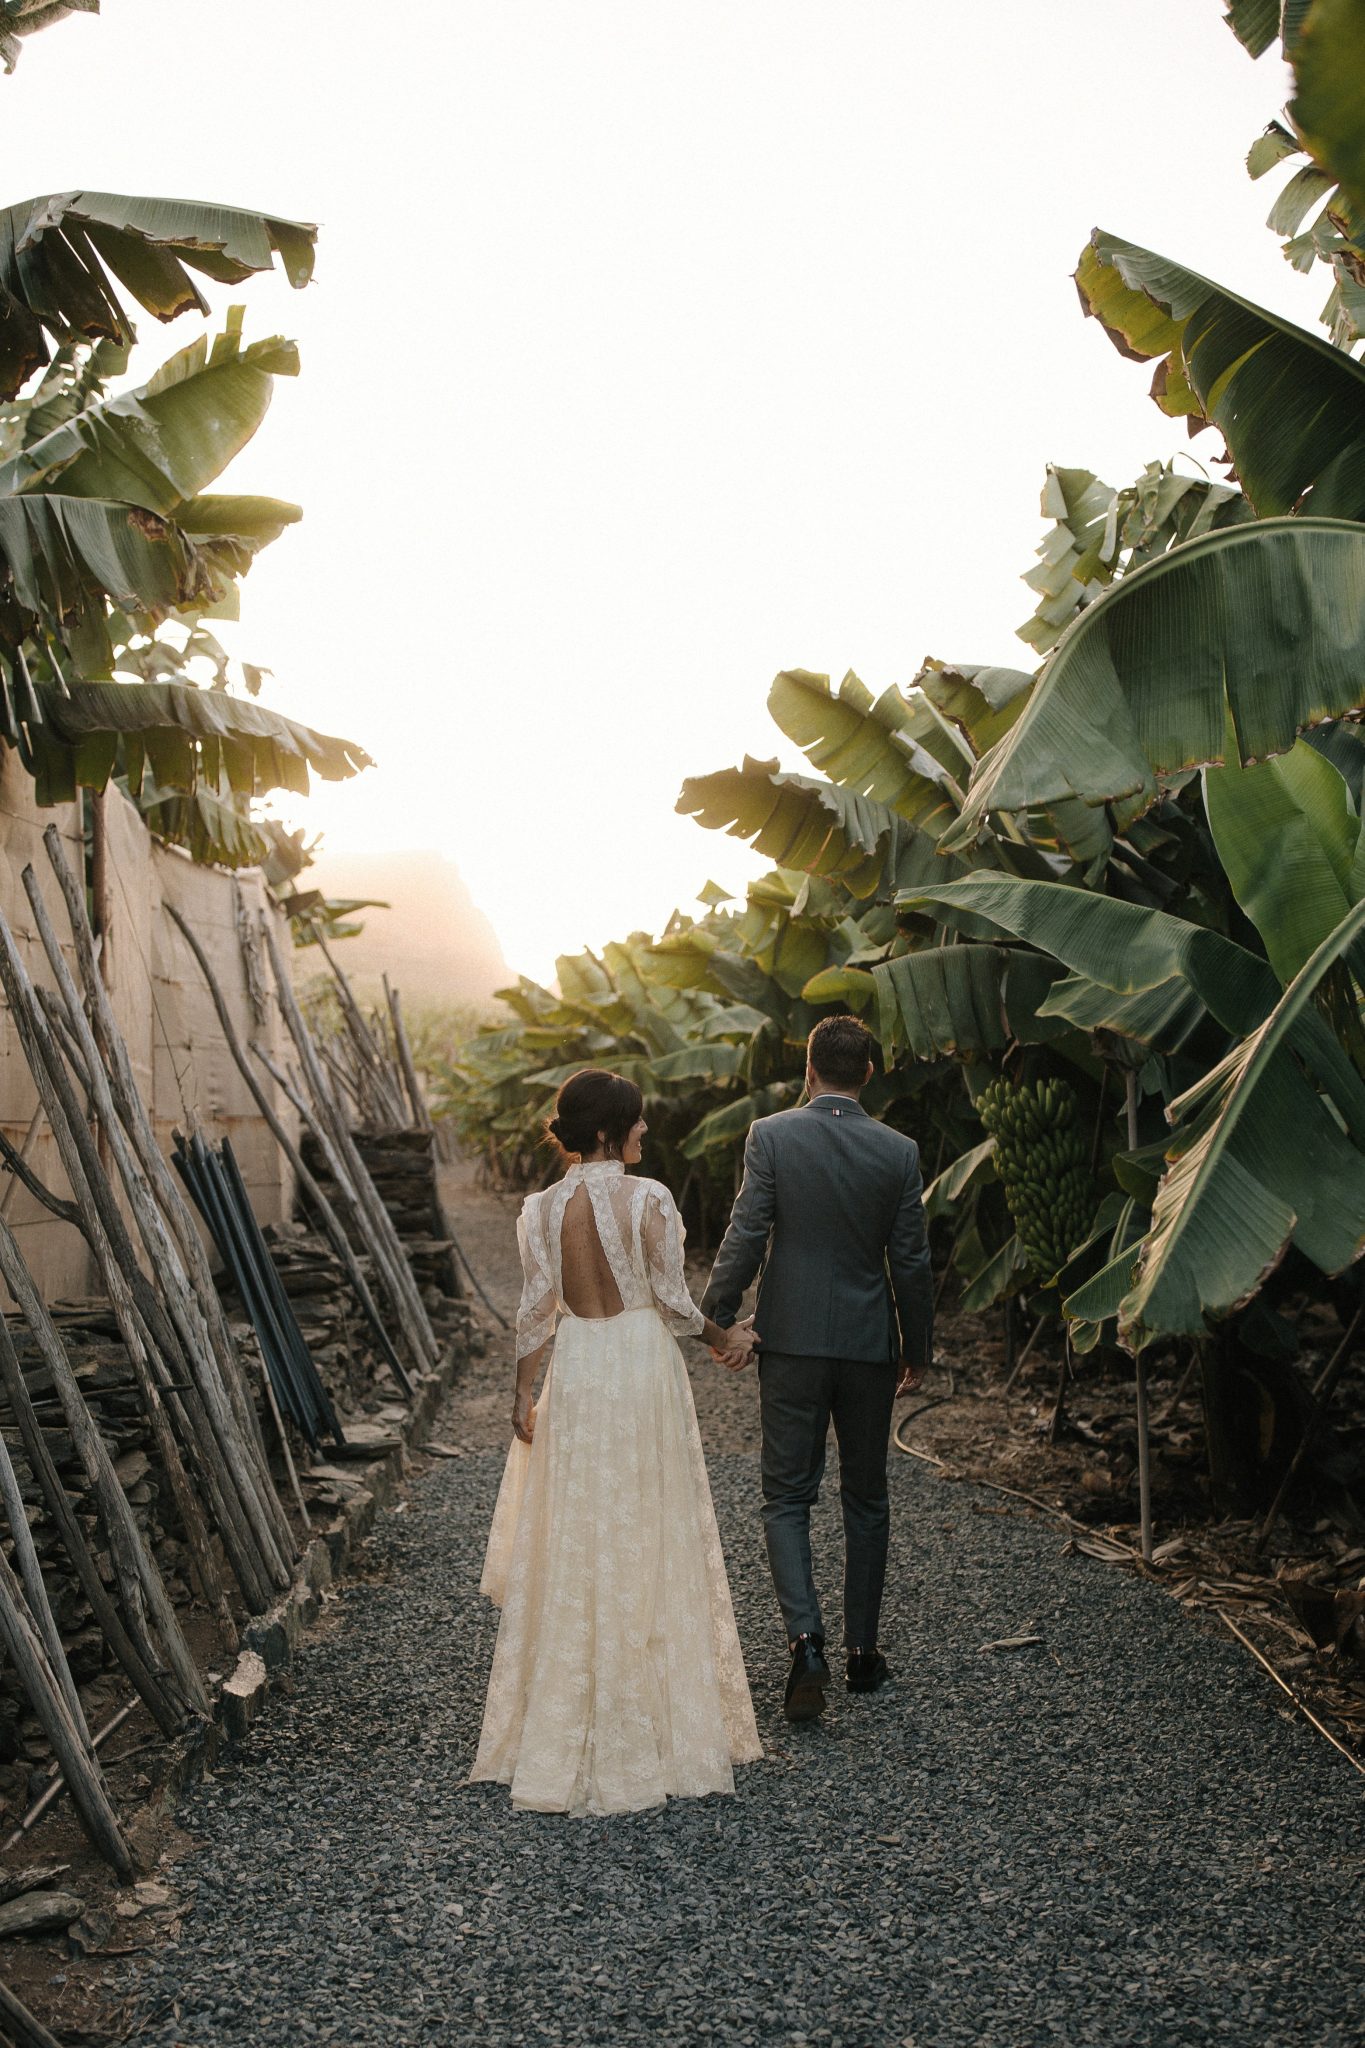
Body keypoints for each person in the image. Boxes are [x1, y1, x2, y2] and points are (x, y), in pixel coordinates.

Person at [471, 1068, 763, 1815]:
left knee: (580, 1532)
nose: (643, 1133)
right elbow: (669, 1299)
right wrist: (721, 1337)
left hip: (580, 1366)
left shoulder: (539, 1208)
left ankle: (569, 1723)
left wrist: (523, 1390)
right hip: (639, 1367)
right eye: (635, 1122)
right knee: (648, 1527)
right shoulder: (647, 1199)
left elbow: (535, 1311)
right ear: (608, 1129)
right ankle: (654, 1721)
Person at [701, 1014, 933, 1723]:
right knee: (866, 1499)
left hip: (792, 1340)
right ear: (867, 1073)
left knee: (785, 1498)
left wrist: (717, 1314)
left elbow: (747, 1229)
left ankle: (806, 1645)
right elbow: (911, 1261)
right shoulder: (898, 1151)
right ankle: (863, 1656)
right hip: (867, 1346)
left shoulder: (771, 1135)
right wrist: (915, 1348)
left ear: (809, 1070)